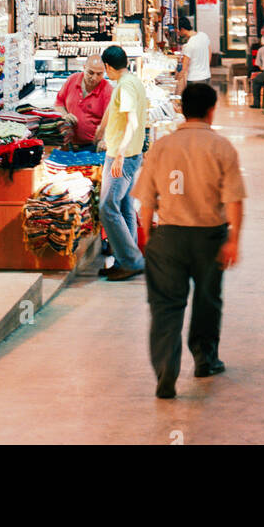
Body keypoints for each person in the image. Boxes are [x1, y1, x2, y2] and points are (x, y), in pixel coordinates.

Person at [136, 82, 246, 399]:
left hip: (168, 236)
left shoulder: (161, 147)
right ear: (212, 110)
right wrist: (234, 240)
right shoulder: (222, 147)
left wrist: (148, 235)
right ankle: (204, 360)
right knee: (208, 300)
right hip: (209, 237)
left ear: (181, 109)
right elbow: (235, 201)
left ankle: (166, 371)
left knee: (166, 307)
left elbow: (146, 200)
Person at [96, 45, 149, 280]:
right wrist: (102, 129)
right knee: (124, 207)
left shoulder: (126, 86)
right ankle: (125, 258)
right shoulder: (132, 81)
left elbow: (132, 122)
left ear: (108, 66)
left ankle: (131, 261)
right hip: (130, 153)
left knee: (107, 207)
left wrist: (119, 154)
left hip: (123, 156)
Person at [55, 53, 112, 148]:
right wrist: (64, 115)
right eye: (91, 72)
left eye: (99, 74)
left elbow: (111, 121)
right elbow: (59, 103)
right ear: (84, 67)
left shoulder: (108, 90)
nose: (94, 78)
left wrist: (105, 140)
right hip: (67, 143)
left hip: (93, 146)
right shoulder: (72, 80)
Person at [176, 14, 210, 93]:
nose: (178, 33)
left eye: (178, 31)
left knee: (194, 104)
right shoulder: (204, 36)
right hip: (206, 76)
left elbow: (184, 67)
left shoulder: (189, 45)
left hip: (194, 79)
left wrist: (176, 80)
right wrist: (205, 67)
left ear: (182, 29)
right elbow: (209, 53)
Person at [250, 31, 264, 109]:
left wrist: (263, 70)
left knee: (256, 81)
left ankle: (257, 103)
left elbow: (258, 64)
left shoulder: (262, 49)